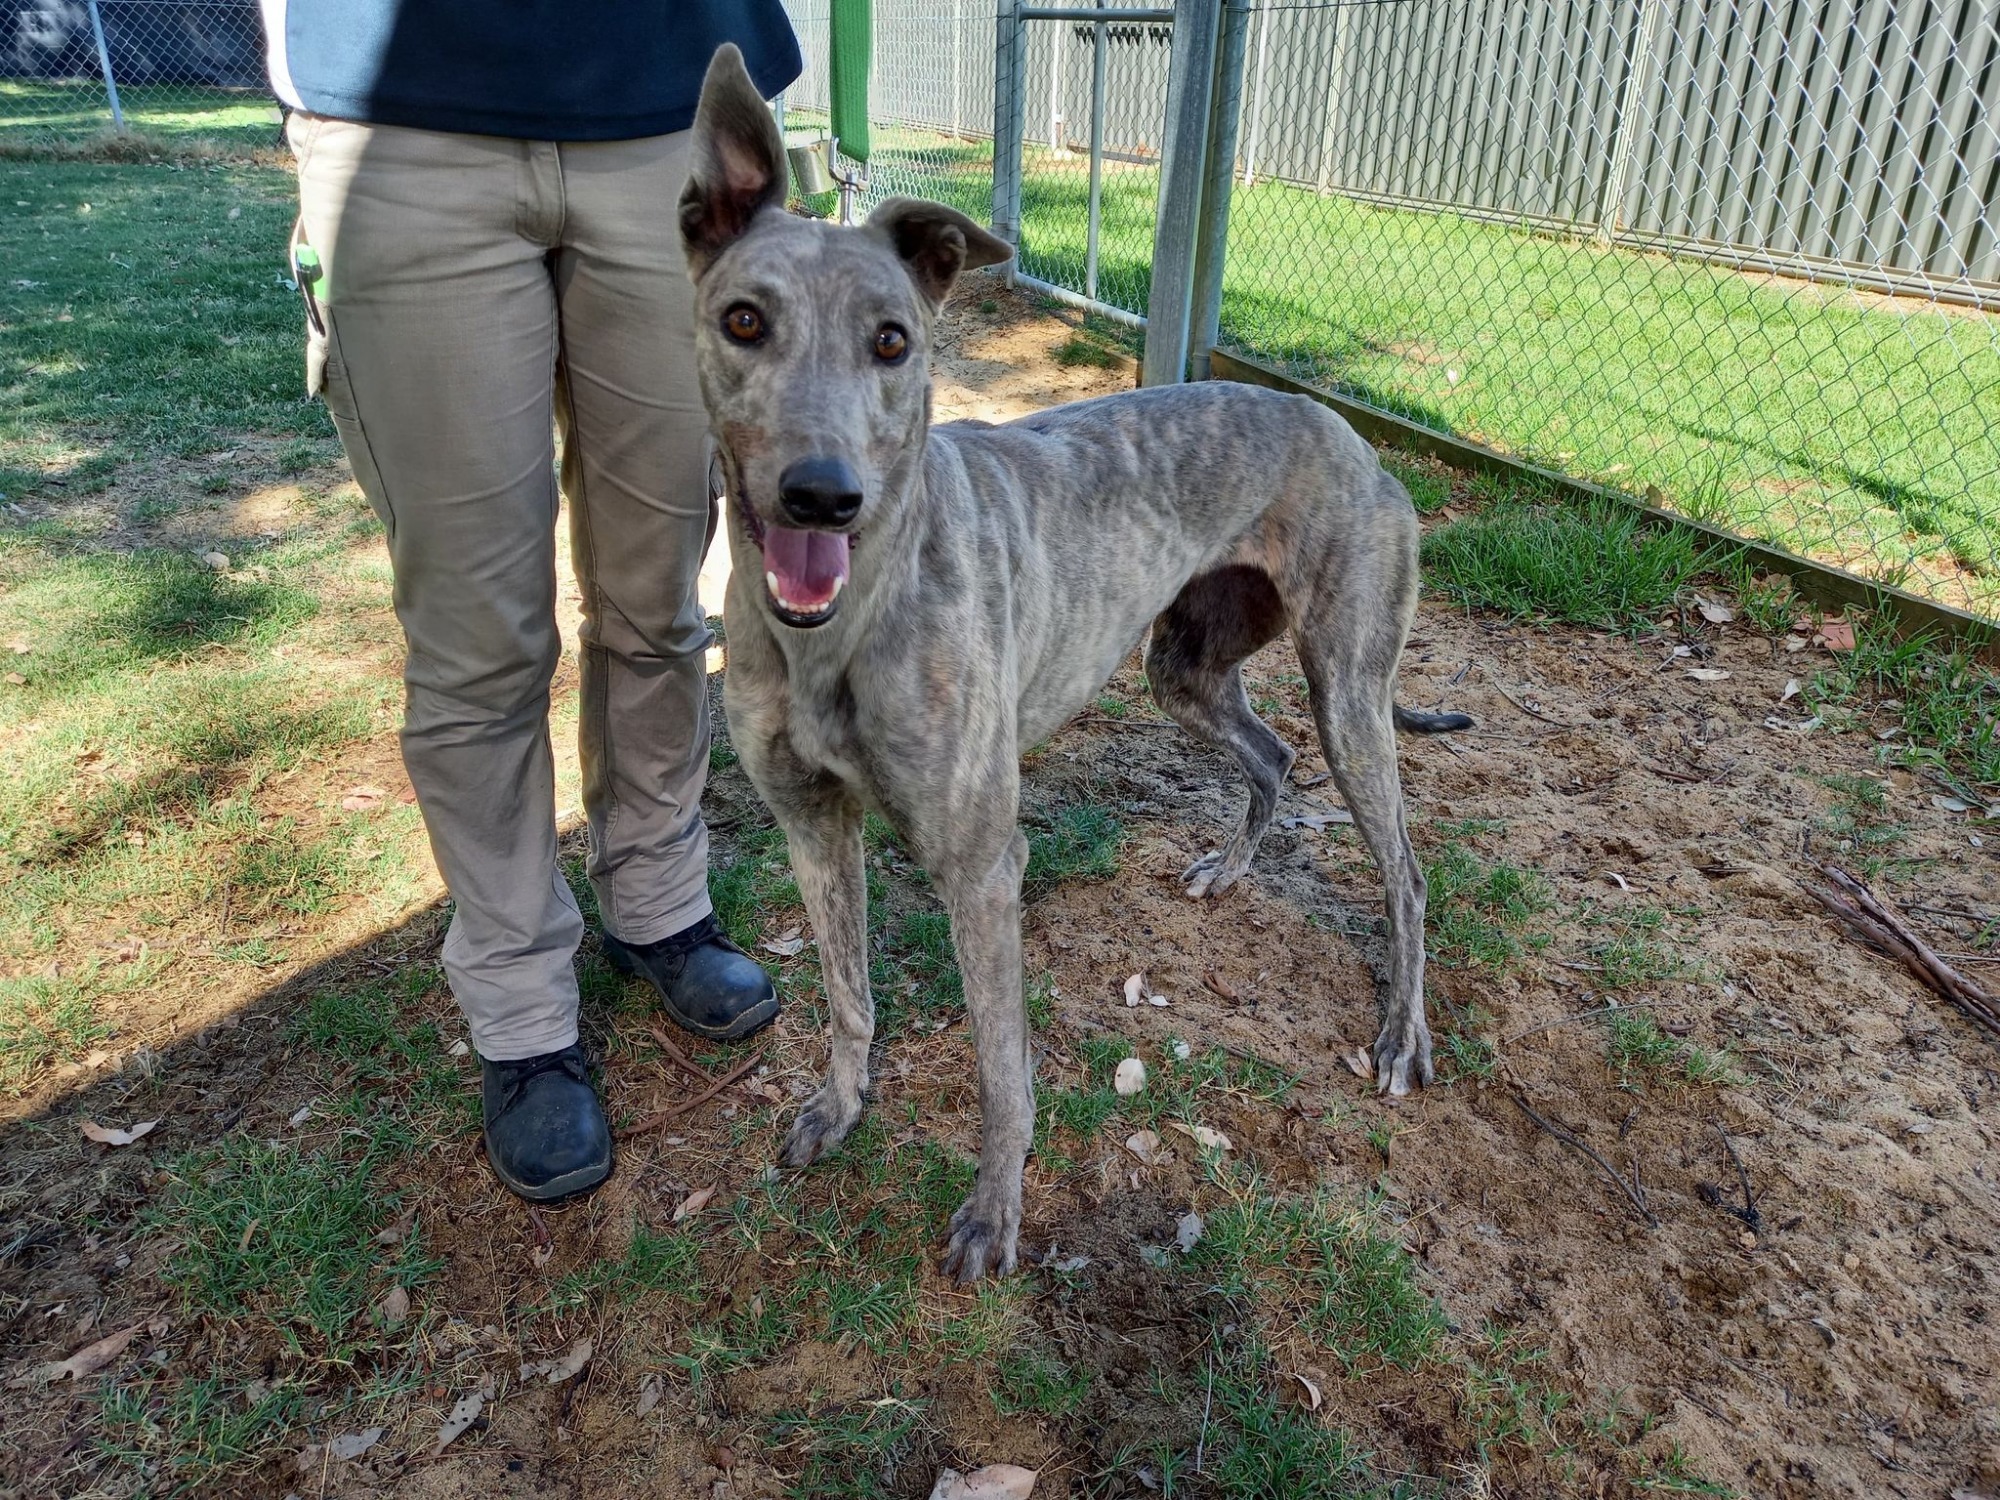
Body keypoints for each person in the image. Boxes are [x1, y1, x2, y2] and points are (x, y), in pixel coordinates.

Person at [261, 2, 803, 1204]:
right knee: (476, 642)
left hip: (675, 111)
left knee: (659, 600)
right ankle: (516, 1005)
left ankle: (657, 898)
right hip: (402, 127)